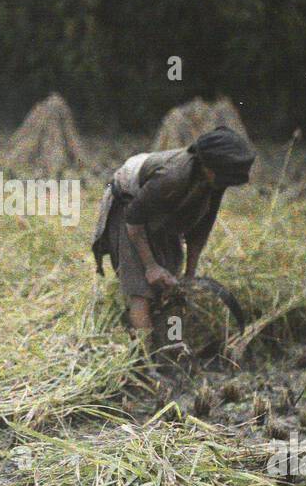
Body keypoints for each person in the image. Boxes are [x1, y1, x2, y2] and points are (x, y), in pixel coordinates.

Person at [91, 126, 255, 339]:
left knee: (174, 291)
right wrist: (150, 266)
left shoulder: (214, 180)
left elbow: (202, 228)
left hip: (164, 213)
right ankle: (144, 357)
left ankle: (173, 347)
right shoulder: (172, 176)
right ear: (207, 166)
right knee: (141, 290)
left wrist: (190, 275)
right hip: (130, 207)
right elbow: (134, 220)